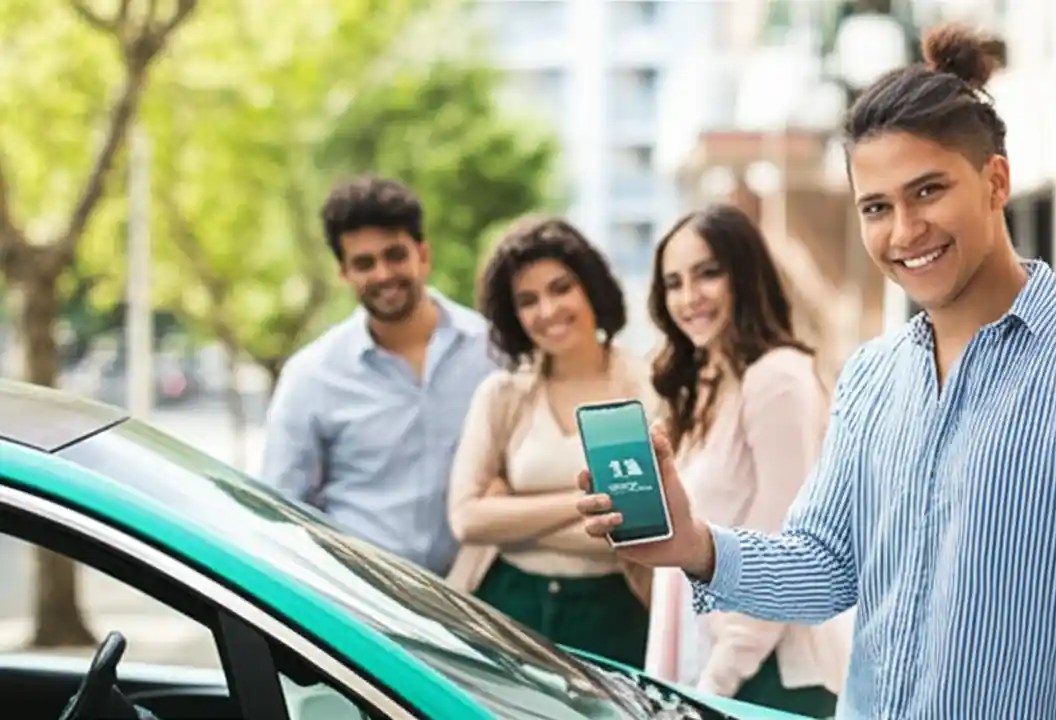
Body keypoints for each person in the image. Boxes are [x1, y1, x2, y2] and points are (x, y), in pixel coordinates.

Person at [576, 23, 1056, 719]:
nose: (903, 232)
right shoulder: (871, 376)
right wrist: (694, 545)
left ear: (996, 181)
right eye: (877, 207)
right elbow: (824, 568)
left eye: (928, 191)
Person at [641, 204, 850, 716]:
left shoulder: (778, 379)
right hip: (711, 669)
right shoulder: (705, 386)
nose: (689, 298)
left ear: (745, 274)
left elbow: (782, 548)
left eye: (708, 273)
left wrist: (714, 683)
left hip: (769, 677)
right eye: (673, 282)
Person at [261, 175, 498, 577]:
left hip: (479, 601)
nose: (383, 274)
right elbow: (281, 511)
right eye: (364, 263)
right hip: (359, 611)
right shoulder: (311, 377)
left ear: (423, 255)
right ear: (344, 273)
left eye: (395, 255)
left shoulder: (492, 351)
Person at [445, 215, 654, 667]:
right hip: (506, 607)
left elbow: (644, 529)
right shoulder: (502, 395)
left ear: (591, 288)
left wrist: (510, 510)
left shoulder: (646, 388)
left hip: (614, 615)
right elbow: (466, 520)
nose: (547, 310)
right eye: (528, 300)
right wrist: (591, 502)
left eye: (561, 288)